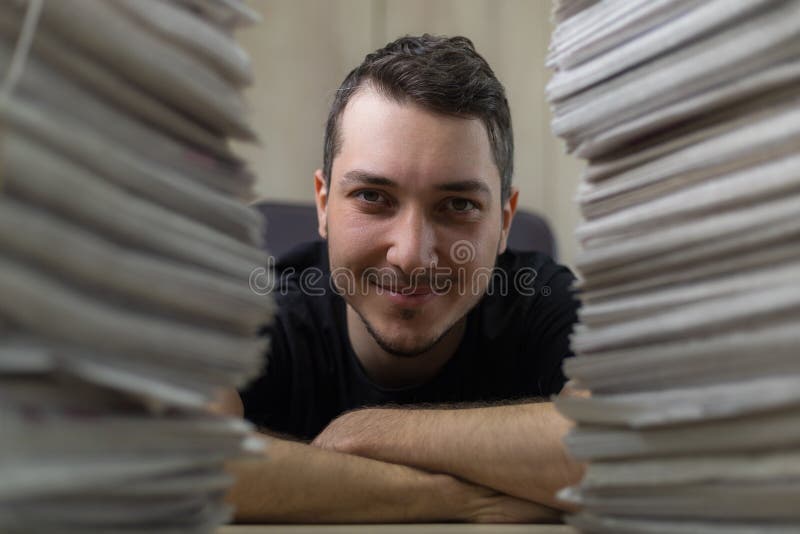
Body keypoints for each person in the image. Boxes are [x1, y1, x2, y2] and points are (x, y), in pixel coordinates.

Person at [218, 34, 584, 523]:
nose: (411, 255)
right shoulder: (256, 312)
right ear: (324, 205)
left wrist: (368, 433)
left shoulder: (542, 299)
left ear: (505, 221)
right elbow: (165, 454)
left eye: (458, 205)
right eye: (373, 197)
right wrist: (456, 500)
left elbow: (642, 443)